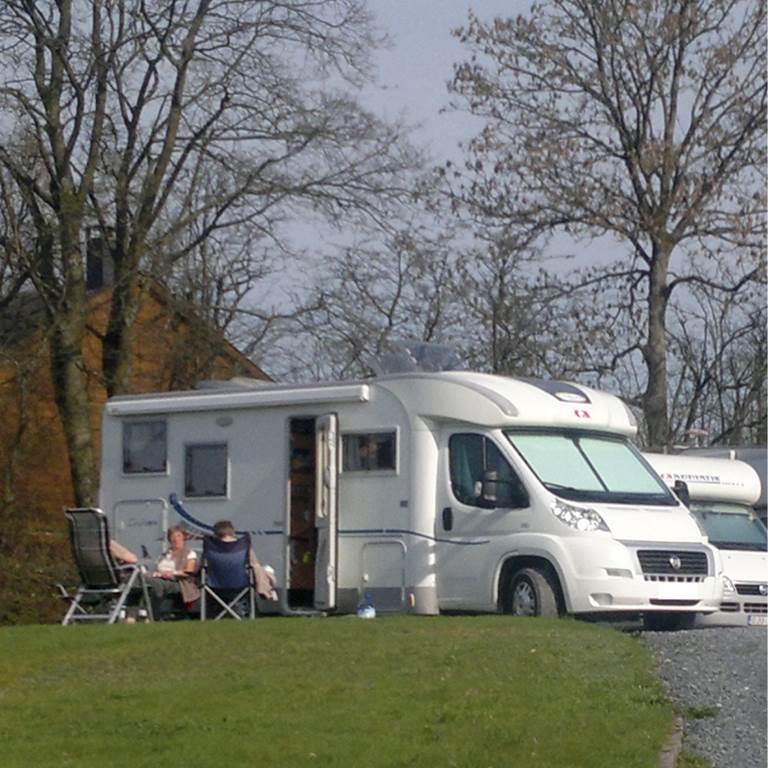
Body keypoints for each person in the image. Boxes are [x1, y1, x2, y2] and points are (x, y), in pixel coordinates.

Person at [211, 520, 275, 599]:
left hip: (215, 584)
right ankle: (267, 592)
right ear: (232, 532)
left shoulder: (211, 548)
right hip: (241, 582)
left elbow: (203, 564)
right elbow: (255, 564)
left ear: (215, 534)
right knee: (266, 569)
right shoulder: (242, 546)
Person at [147, 526, 201, 619]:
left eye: (178, 536)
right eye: (173, 536)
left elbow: (188, 572)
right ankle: (132, 613)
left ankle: (153, 615)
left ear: (184, 538)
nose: (175, 539)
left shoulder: (189, 554)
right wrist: (155, 573)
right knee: (142, 581)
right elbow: (156, 569)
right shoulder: (164, 555)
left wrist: (172, 573)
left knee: (157, 584)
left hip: (179, 582)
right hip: (161, 579)